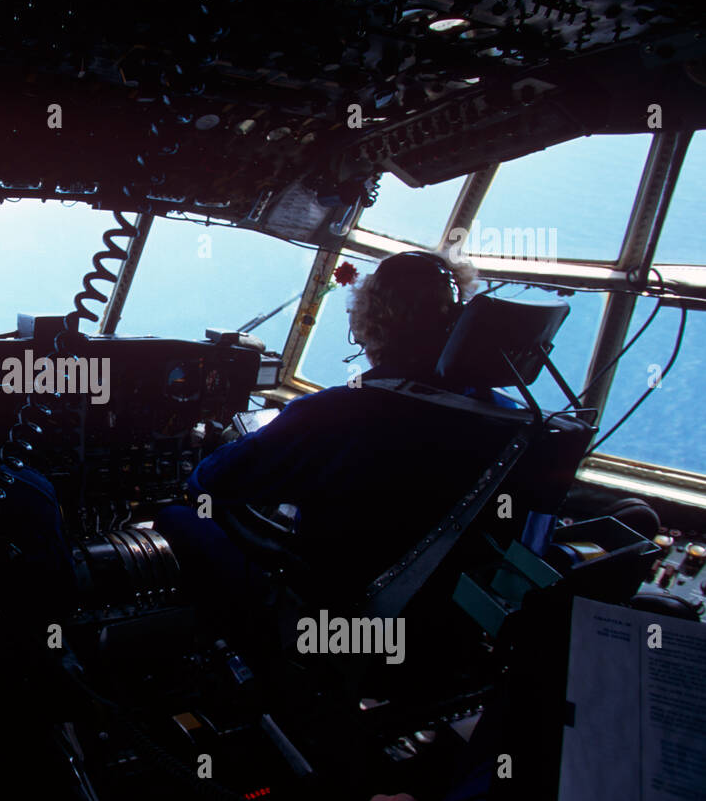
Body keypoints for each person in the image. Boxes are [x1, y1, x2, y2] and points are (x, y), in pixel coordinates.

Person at [155, 250, 515, 610]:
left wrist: (224, 447)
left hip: (328, 610)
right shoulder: (509, 416)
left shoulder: (336, 412)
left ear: (371, 322)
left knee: (178, 515)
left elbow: (212, 481)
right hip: (440, 617)